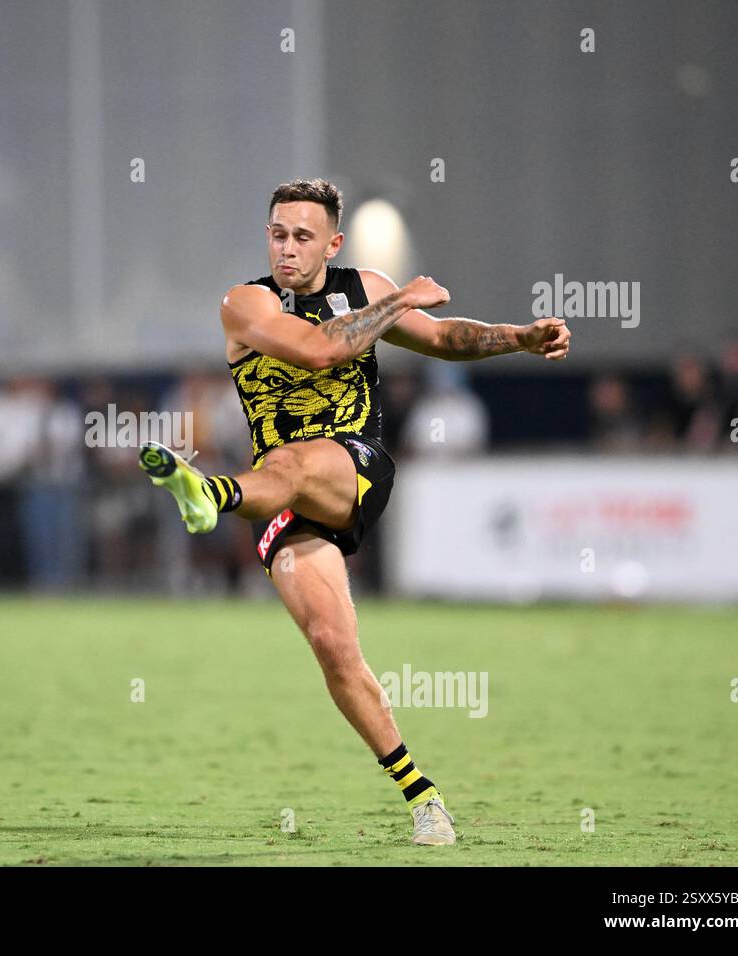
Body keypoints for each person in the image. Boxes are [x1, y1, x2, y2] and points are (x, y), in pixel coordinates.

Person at [139, 178, 571, 846]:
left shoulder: (363, 286)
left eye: (303, 236)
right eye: (278, 234)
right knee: (334, 648)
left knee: (298, 461)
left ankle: (211, 495)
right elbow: (318, 349)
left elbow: (445, 338)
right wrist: (401, 298)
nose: (287, 248)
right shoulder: (244, 302)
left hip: (353, 469)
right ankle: (422, 795)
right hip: (281, 494)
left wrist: (518, 336)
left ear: (333, 243)